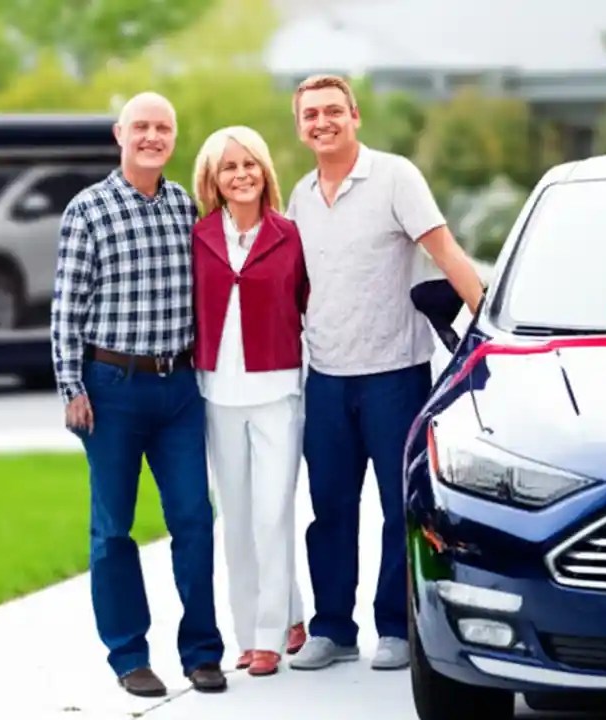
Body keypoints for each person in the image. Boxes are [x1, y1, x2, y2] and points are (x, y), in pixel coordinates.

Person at [283, 74, 485, 672]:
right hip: (325, 378)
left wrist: (487, 331)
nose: (322, 122)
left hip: (393, 376)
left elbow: (447, 253)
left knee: (401, 510)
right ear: (300, 126)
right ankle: (334, 629)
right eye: (310, 115)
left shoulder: (395, 177)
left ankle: (396, 627)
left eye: (332, 112)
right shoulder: (299, 194)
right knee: (330, 509)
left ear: (355, 116)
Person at [50, 91, 227, 697]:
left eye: (164, 128)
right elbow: (66, 307)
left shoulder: (185, 207)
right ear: (120, 134)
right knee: (114, 528)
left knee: (194, 519)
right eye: (142, 126)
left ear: (174, 138)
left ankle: (203, 652)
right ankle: (129, 656)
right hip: (111, 390)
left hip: (178, 388)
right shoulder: (88, 210)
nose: (153, 136)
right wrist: (71, 386)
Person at [190, 125, 310, 677]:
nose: (241, 175)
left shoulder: (290, 234)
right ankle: (257, 626)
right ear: (212, 180)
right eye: (228, 167)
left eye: (249, 165)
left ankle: (271, 635)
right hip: (218, 392)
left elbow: (308, 303)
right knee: (235, 517)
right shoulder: (199, 237)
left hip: (278, 390)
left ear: (265, 171)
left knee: (272, 513)